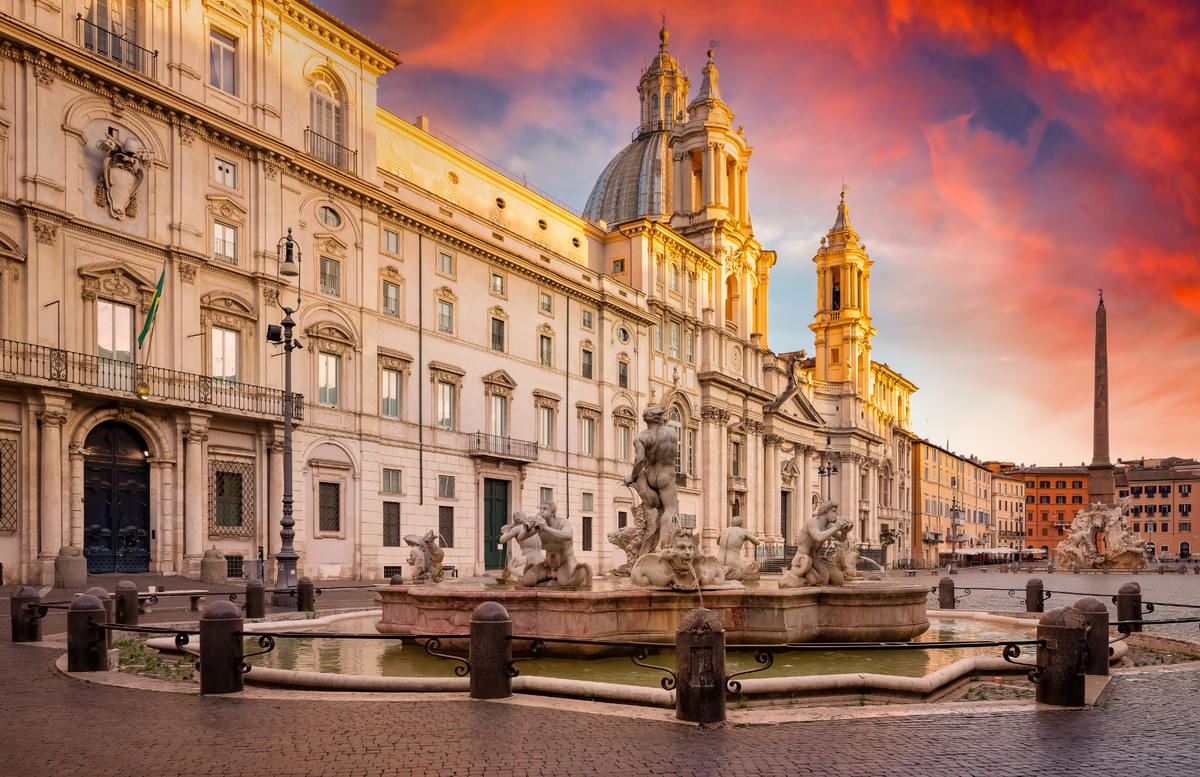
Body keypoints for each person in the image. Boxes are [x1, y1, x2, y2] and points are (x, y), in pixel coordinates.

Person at [624, 405, 678, 558]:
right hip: (666, 476)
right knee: (669, 510)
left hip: (650, 476)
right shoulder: (671, 433)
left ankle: (649, 541)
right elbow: (674, 454)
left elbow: (640, 460)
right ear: (660, 418)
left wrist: (632, 477)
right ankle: (661, 547)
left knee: (660, 513)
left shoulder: (640, 437)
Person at [521, 502, 592, 588]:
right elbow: (521, 537)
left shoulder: (562, 522)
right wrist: (528, 528)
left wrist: (547, 528)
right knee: (528, 580)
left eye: (545, 509)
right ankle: (550, 580)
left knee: (564, 583)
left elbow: (568, 535)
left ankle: (580, 572)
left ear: (552, 513)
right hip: (548, 564)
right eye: (540, 508)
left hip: (566, 562)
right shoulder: (539, 526)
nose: (541, 511)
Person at [498, 511, 544, 584]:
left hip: (528, 561)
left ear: (515, 521)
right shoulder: (534, 529)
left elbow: (502, 540)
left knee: (509, 575)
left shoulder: (518, 528)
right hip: (541, 560)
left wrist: (505, 531)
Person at [717, 514, 760, 579]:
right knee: (753, 568)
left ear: (731, 523)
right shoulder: (743, 531)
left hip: (719, 560)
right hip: (733, 561)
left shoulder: (723, 531)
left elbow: (718, 543)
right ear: (741, 525)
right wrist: (746, 537)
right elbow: (757, 543)